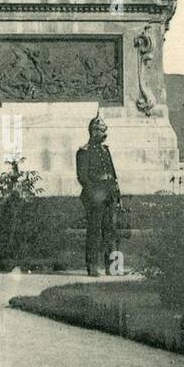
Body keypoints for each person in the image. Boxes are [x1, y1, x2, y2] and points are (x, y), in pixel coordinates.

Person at [76, 112, 121, 276]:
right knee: (94, 231)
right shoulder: (84, 152)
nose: (104, 135)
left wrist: (116, 194)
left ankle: (113, 267)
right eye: (101, 131)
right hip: (95, 197)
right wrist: (95, 195)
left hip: (108, 195)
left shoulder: (105, 150)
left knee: (110, 231)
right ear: (93, 132)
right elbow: (83, 178)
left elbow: (112, 173)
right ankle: (92, 266)